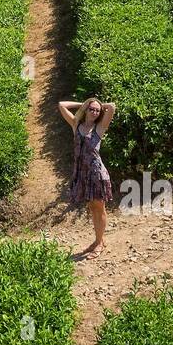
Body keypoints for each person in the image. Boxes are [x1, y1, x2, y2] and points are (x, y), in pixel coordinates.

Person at [58, 97, 116, 258]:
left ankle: (99, 243)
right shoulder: (76, 125)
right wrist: (83, 104)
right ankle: (99, 240)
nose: (94, 112)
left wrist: (100, 104)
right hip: (82, 172)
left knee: (99, 207)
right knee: (92, 207)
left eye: (97, 110)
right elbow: (62, 104)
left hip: (96, 172)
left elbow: (111, 107)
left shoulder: (100, 127)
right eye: (91, 109)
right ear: (86, 110)